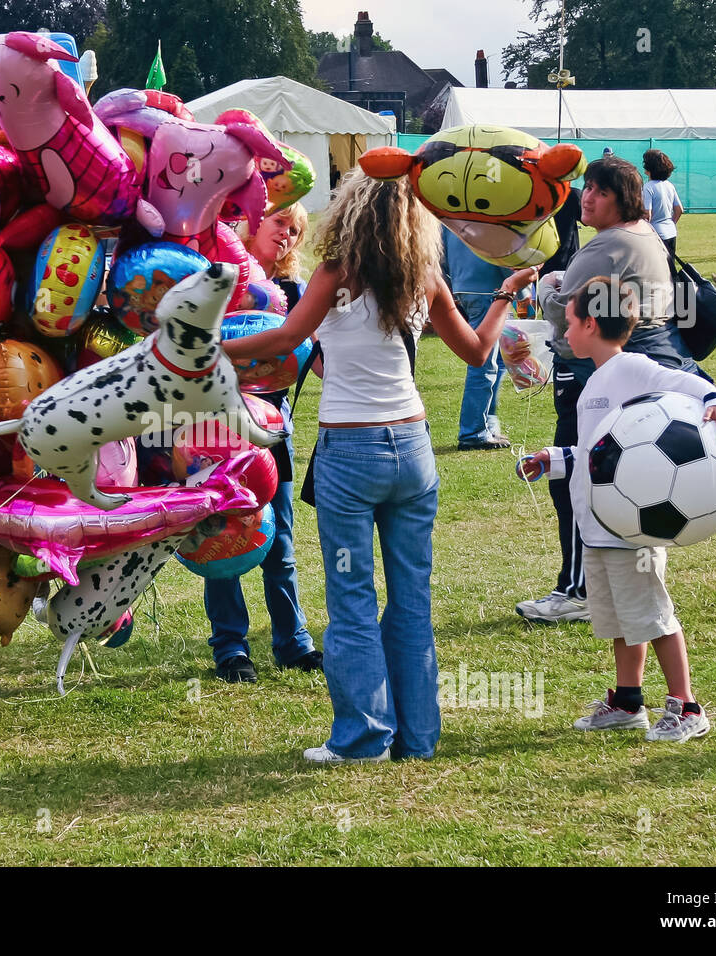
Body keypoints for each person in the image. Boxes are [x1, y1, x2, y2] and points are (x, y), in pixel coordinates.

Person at [224, 168, 538, 763]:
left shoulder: (337, 272)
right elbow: (476, 351)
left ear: (351, 213)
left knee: (351, 596)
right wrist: (503, 296)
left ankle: (364, 736)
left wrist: (208, 348)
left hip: (350, 452)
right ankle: (417, 738)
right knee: (411, 598)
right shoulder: (425, 278)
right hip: (414, 450)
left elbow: (284, 337)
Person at [519, 276, 716, 741]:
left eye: (569, 323)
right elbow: (602, 456)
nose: (563, 333)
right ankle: (627, 700)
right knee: (620, 620)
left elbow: (688, 379)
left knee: (653, 617)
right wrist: (554, 460)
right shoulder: (598, 378)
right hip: (599, 529)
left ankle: (687, 707)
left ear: (592, 324)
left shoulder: (632, 367)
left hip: (629, 531)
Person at [519, 156, 700, 625]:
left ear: (622, 200)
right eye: (587, 189)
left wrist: (546, 289)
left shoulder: (609, 245)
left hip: (593, 373)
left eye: (599, 191)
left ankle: (576, 589)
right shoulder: (646, 235)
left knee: (580, 475)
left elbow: (568, 313)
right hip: (640, 361)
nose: (588, 198)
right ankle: (606, 583)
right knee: (620, 474)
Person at [208, 202, 321, 683]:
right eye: (279, 224)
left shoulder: (297, 292)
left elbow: (316, 361)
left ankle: (293, 643)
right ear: (252, 225)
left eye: (295, 230)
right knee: (219, 542)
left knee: (282, 544)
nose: (288, 236)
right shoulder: (216, 286)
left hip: (273, 435)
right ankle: (231, 648)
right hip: (212, 435)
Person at [442, 226, 512, 450]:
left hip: (465, 285)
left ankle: (487, 423)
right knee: (484, 362)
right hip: (489, 288)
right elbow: (503, 247)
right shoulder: (492, 207)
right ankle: (474, 430)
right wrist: (519, 288)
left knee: (496, 361)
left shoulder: (453, 209)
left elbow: (440, 252)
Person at [642, 149, 684, 269]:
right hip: (670, 232)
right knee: (670, 269)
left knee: (656, 271)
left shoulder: (648, 187)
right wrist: (671, 223)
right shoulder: (669, 185)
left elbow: (647, 215)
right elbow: (679, 209)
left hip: (656, 235)